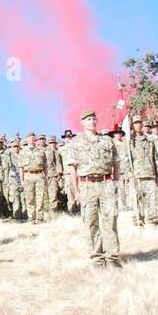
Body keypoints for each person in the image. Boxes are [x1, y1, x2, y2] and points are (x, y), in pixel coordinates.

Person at [65, 110, 120, 267]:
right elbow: (73, 169)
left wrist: (116, 183)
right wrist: (76, 191)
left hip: (106, 183)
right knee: (91, 222)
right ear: (82, 122)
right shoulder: (75, 143)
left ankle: (112, 258)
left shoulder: (107, 141)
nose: (92, 122)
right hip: (86, 185)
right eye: (88, 119)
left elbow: (116, 162)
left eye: (94, 119)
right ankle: (97, 259)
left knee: (110, 221)